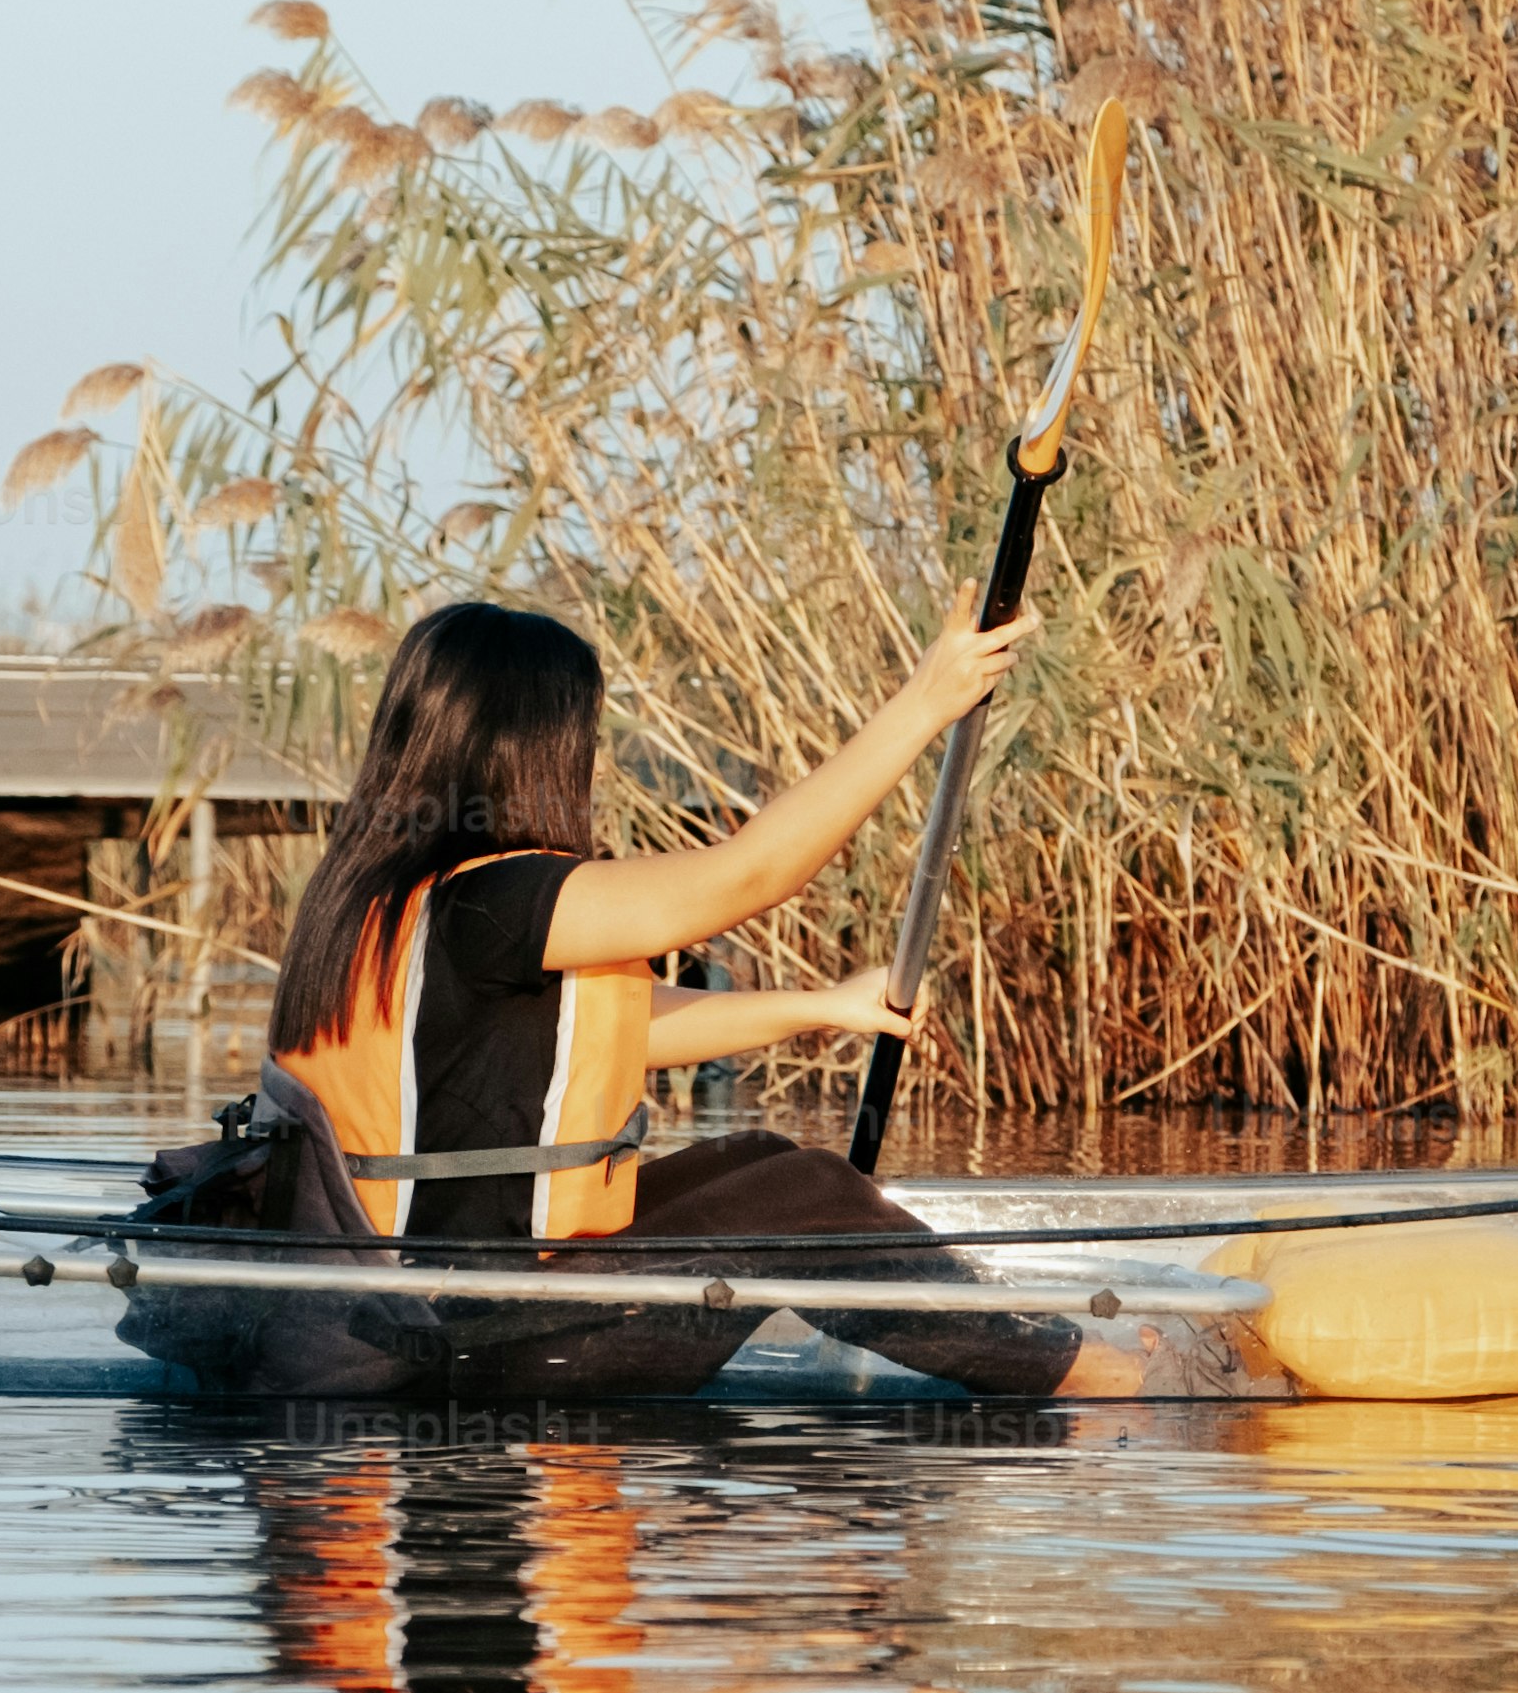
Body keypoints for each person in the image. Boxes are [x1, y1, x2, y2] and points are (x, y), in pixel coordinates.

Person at [158, 594, 1129, 1403]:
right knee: (805, 1201)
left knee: (762, 1161)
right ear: (534, 742)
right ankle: (1088, 1372)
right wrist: (925, 703)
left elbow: (601, 1029)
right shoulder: (495, 895)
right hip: (464, 1347)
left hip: (425, 1318)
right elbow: (746, 875)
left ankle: (1020, 1344)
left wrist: (820, 1006)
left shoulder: (382, 893)